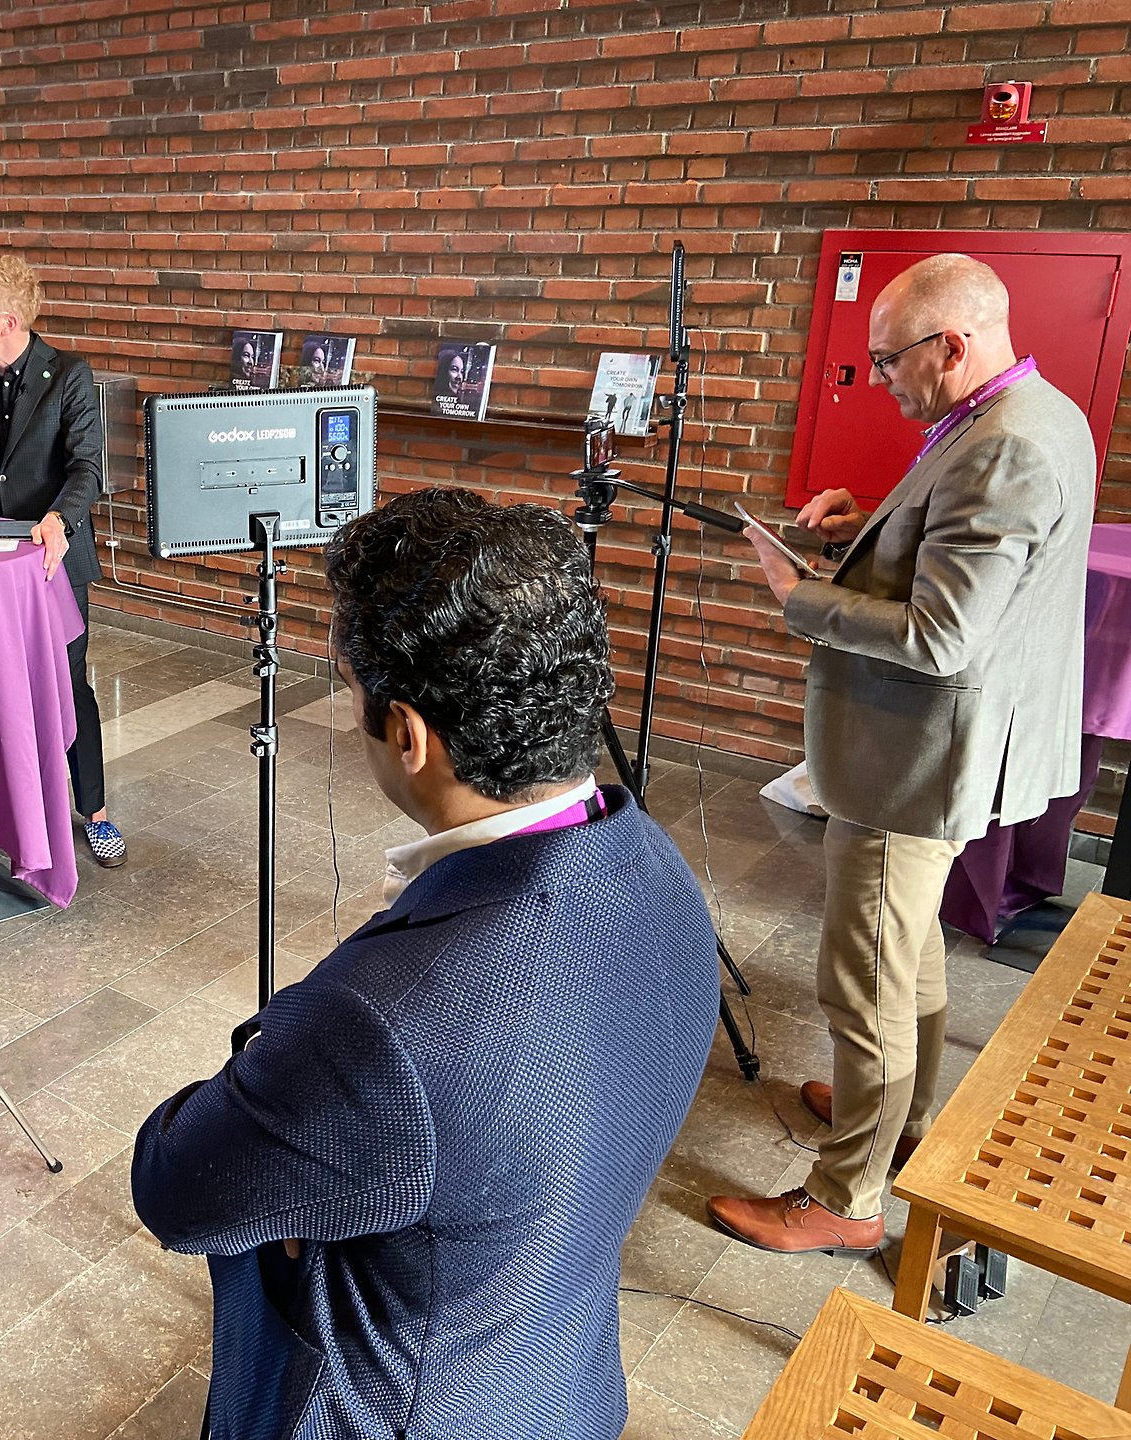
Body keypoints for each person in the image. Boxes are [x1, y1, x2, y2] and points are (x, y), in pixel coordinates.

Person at [131, 490, 721, 1440]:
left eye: (349, 686)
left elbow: (176, 1187)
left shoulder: (379, 1027)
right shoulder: (649, 855)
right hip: (557, 1381)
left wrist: (288, 1056)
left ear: (407, 733)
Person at [710, 254, 1096, 1255]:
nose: (880, 380)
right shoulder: (1035, 413)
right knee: (905, 949)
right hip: (945, 744)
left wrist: (804, 598)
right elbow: (948, 549)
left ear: (952, 346)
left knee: (864, 976)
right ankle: (898, 1125)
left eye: (889, 362)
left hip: (915, 755)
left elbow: (943, 635)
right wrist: (864, 531)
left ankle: (844, 1198)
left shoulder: (1007, 446)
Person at [0, 252, 124, 867]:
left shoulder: (70, 375)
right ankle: (14, 809)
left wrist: (59, 519)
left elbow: (86, 466)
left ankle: (94, 811)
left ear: (10, 320)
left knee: (67, 686)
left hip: (54, 559)